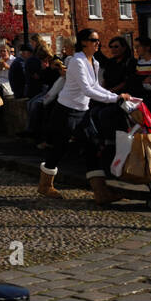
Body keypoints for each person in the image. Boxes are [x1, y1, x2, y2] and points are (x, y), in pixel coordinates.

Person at [36, 29, 131, 203]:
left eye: (98, 40)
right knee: (60, 148)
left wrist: (115, 96)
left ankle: (100, 192)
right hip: (66, 111)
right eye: (94, 40)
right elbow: (87, 89)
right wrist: (115, 98)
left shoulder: (93, 62)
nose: (97, 43)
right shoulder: (76, 61)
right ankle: (45, 185)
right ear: (84, 42)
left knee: (92, 147)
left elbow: (95, 86)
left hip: (82, 111)